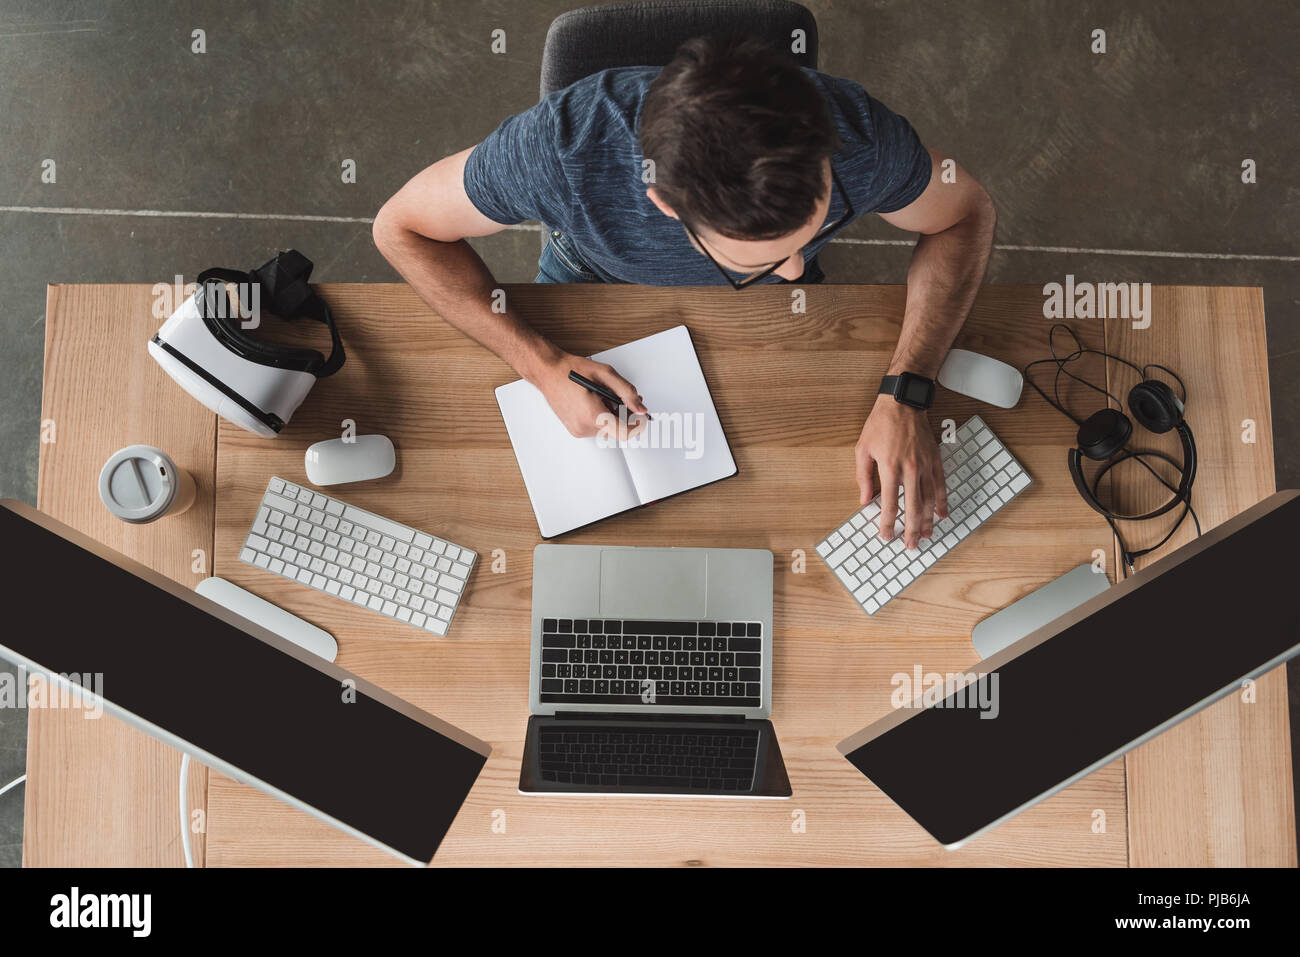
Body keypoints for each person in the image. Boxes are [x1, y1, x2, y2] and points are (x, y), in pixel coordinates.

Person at [373, 34, 996, 549]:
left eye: (811, 234)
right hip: (591, 278)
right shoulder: (557, 151)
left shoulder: (860, 139)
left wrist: (906, 392)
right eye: (754, 261)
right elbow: (400, 228)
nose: (794, 273)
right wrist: (538, 366)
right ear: (665, 205)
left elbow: (965, 214)